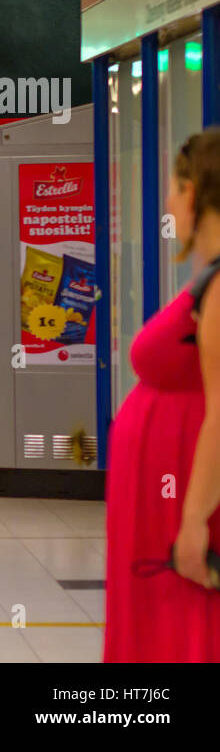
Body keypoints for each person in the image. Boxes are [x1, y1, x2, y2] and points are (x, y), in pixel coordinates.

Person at [105, 129, 220, 662]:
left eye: (175, 189)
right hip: (168, 498)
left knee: (186, 627)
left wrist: (194, 520)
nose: (168, 202)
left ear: (195, 193)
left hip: (190, 501)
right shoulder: (208, 280)